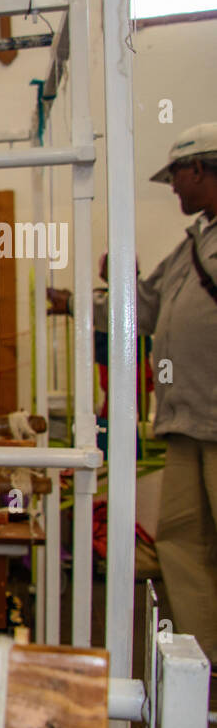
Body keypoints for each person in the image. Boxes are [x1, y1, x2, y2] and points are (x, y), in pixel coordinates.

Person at [49, 123, 217, 663]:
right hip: (189, 420)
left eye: (176, 178)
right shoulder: (191, 248)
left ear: (199, 169)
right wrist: (79, 303)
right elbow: (138, 312)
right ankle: (204, 669)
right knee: (180, 540)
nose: (173, 190)